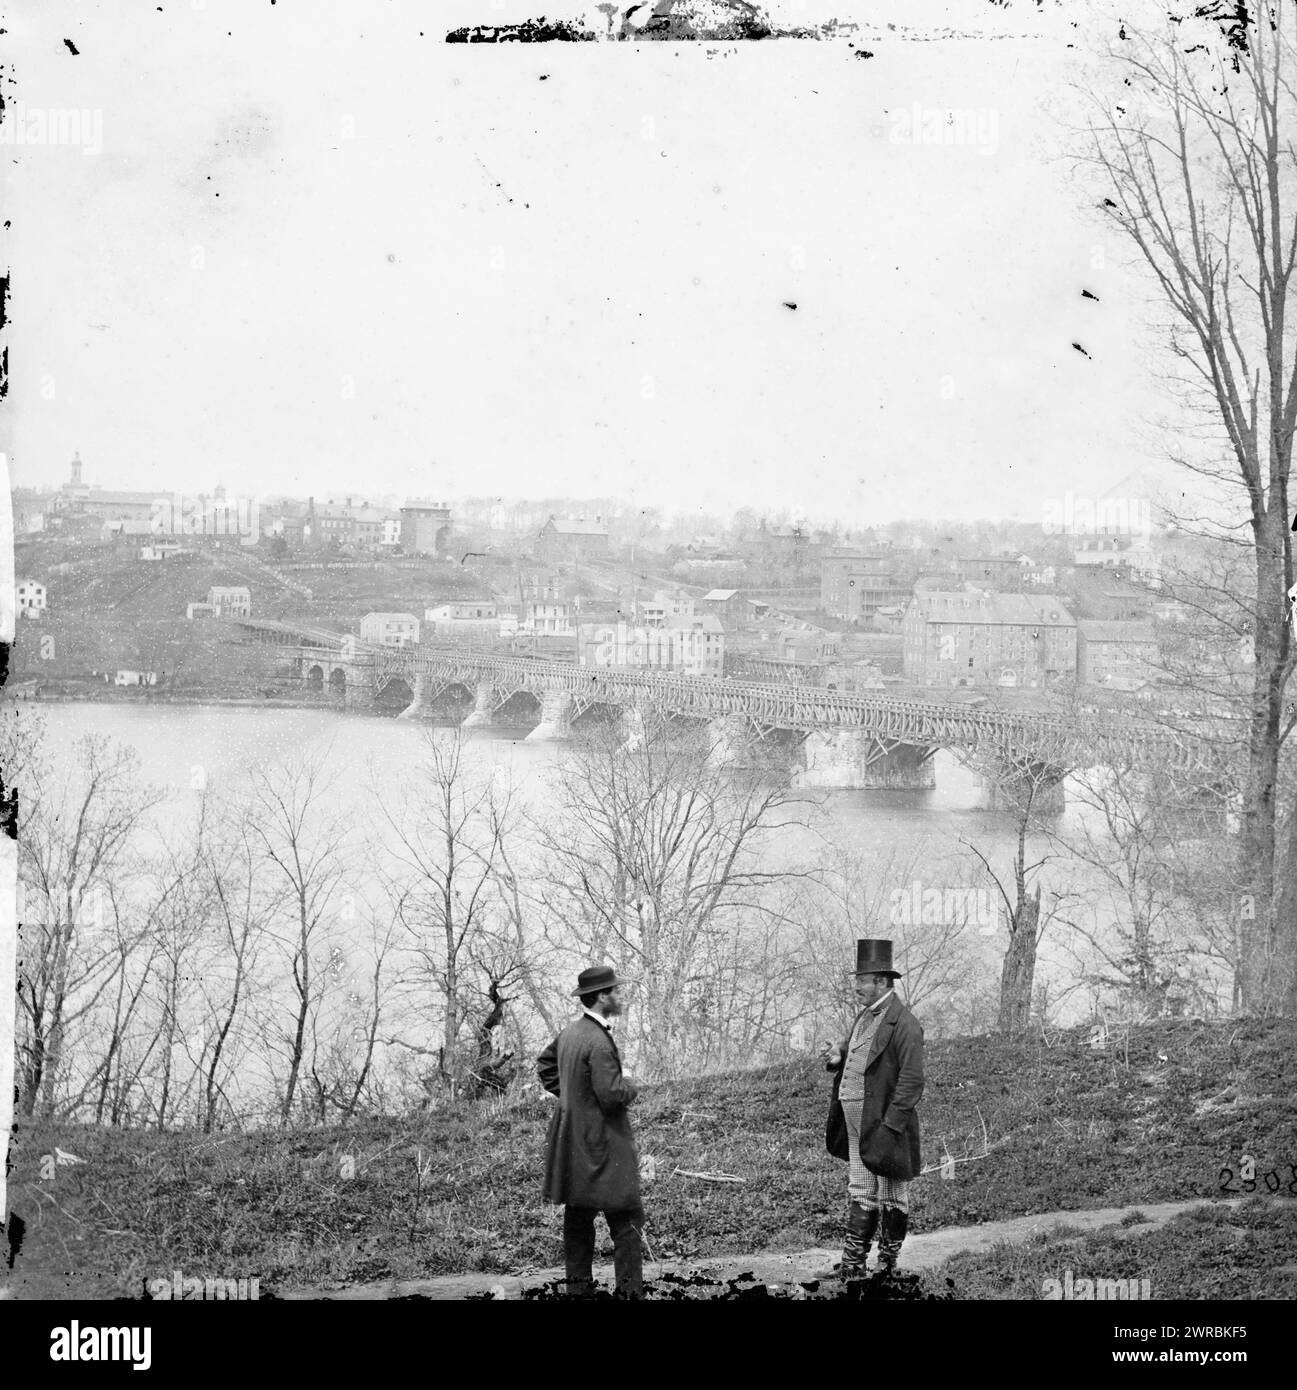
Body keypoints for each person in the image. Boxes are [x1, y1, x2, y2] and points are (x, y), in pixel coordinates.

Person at [819, 938, 924, 1280]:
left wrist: (891, 1127)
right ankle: (852, 1266)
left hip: (885, 1123)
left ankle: (887, 1267)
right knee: (861, 1188)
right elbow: (861, 1055)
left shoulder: (905, 1023)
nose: (856, 988)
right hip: (856, 1119)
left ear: (881, 981)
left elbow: (911, 1081)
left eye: (861, 981)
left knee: (893, 1193)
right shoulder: (864, 1017)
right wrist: (840, 1057)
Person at [536, 964, 644, 1298]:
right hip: (603, 1146)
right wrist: (631, 1083)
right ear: (600, 997)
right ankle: (630, 1295)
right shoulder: (598, 1041)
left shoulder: (571, 1033)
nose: (619, 996)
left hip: (573, 1144)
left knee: (578, 1219)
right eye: (614, 991)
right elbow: (612, 1096)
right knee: (627, 1220)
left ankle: (578, 1294)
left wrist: (574, 1098)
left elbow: (545, 1065)